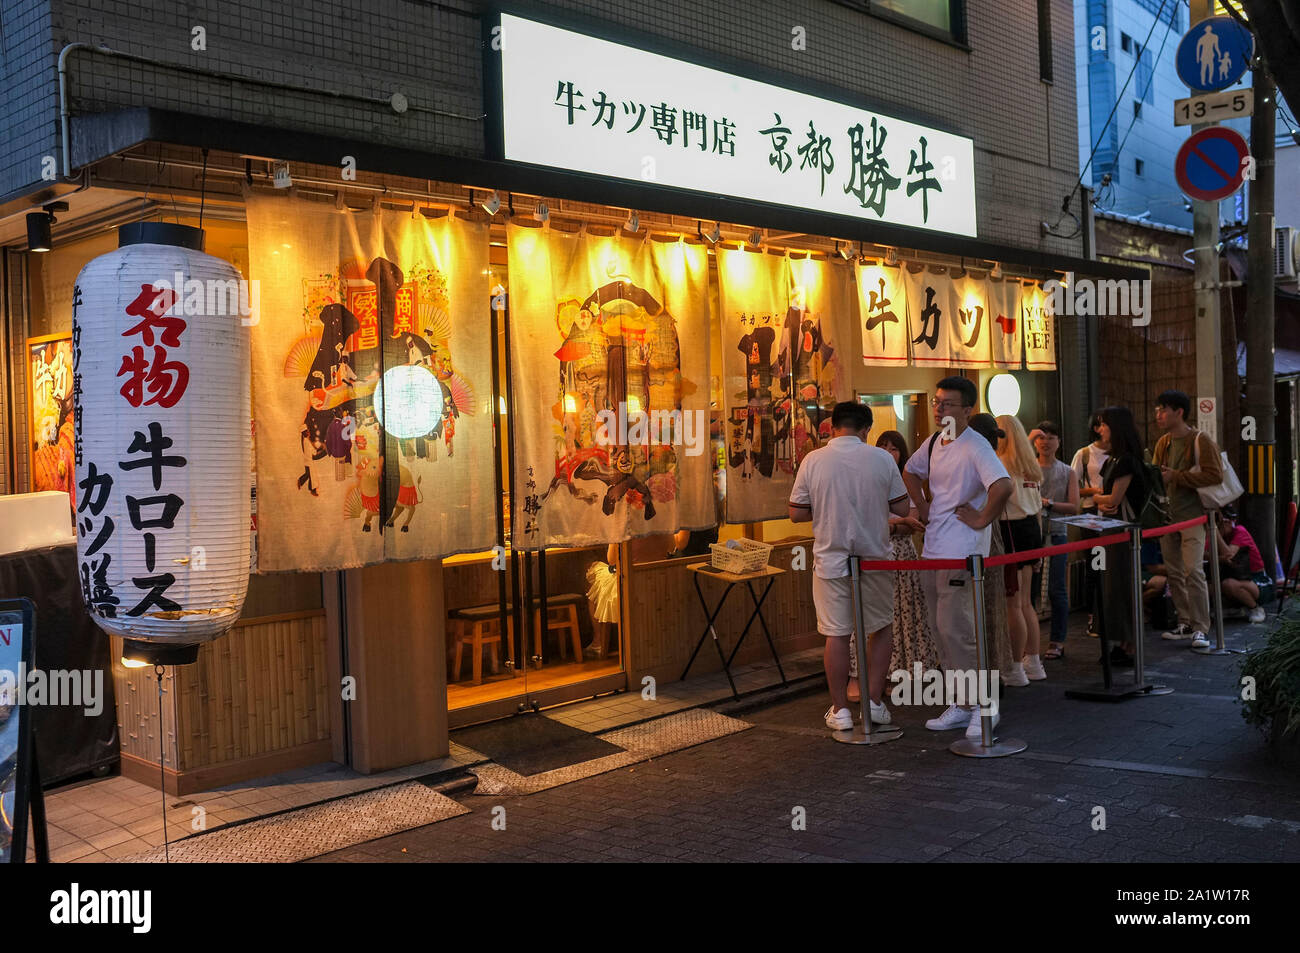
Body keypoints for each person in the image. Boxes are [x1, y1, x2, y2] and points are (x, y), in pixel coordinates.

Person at [789, 401, 911, 732]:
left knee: (836, 634)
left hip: (830, 559)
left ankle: (840, 710)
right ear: (866, 429)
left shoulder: (813, 460)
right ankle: (873, 703)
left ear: (832, 426)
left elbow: (797, 512)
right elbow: (901, 505)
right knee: (881, 628)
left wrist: (830, 509)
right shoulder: (883, 459)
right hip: (874, 556)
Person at [903, 377, 1013, 740]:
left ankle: (984, 706)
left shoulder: (975, 445)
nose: (939, 409)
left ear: (968, 410)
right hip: (933, 549)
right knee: (941, 630)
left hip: (962, 551)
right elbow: (910, 472)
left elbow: (1003, 485)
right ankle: (963, 702)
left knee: (958, 629)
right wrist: (922, 506)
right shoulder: (934, 442)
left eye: (948, 404)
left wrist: (982, 519)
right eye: (936, 402)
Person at [854, 430, 939, 693]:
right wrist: (894, 523)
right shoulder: (865, 478)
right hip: (872, 556)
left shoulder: (905, 481)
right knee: (873, 616)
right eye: (883, 446)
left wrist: (888, 526)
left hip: (901, 556)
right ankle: (864, 675)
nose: (889, 452)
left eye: (894, 448)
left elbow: (912, 523)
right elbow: (861, 520)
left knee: (905, 617)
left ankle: (902, 674)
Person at [1152, 390, 1223, 650]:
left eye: (1162, 410)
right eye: (1157, 411)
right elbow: (1158, 476)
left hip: (1192, 516)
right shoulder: (1163, 443)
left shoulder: (1200, 440)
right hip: (1167, 517)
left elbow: (1215, 476)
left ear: (1179, 412)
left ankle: (1201, 627)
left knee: (1193, 570)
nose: (1158, 415)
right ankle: (1184, 621)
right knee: (1174, 573)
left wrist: (1177, 477)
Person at [1093, 406, 1147, 665]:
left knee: (1121, 588)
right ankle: (1121, 642)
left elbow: (1113, 499)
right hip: (1112, 530)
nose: (1100, 429)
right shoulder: (1114, 459)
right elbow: (1110, 501)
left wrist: (1096, 498)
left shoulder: (1125, 460)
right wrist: (1103, 501)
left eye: (1104, 424)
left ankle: (1128, 645)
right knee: (1114, 588)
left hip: (1121, 533)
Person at [995, 415, 1045, 685]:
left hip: (1010, 533)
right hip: (1031, 531)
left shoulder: (1001, 465)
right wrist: (1038, 548)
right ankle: (1034, 663)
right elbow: (1038, 512)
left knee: (1012, 605)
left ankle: (1015, 668)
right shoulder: (1030, 467)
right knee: (1026, 603)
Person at [969, 414, 1015, 681]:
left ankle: (991, 673)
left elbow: (1003, 488)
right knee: (989, 610)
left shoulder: (976, 456)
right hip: (986, 537)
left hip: (984, 536)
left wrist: (982, 517)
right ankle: (992, 672)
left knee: (987, 610)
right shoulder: (980, 457)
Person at [1029, 421, 1079, 660]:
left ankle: (1057, 640)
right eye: (1040, 437)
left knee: (1057, 589)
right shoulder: (1027, 469)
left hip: (1058, 532)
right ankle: (1030, 644)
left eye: (1051, 437)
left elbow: (1074, 507)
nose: (1045, 442)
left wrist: (1048, 504)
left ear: (1059, 441)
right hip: (1031, 534)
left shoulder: (1067, 471)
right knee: (1028, 590)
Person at [1070, 411, 1109, 640]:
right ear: (1096, 428)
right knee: (1095, 565)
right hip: (1092, 514)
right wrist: (1094, 492)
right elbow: (1072, 486)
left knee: (1110, 567)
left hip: (1113, 514)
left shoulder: (1121, 454)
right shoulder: (1084, 454)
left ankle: (1107, 614)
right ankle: (1093, 616)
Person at [1213, 510, 1268, 623]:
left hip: (1257, 580)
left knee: (1227, 584)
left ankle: (1256, 608)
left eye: (1219, 524)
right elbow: (1204, 555)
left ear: (1227, 522)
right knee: (1210, 586)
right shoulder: (1220, 535)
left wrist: (1215, 532)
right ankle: (1236, 609)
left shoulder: (1240, 531)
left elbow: (1229, 556)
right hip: (1238, 578)